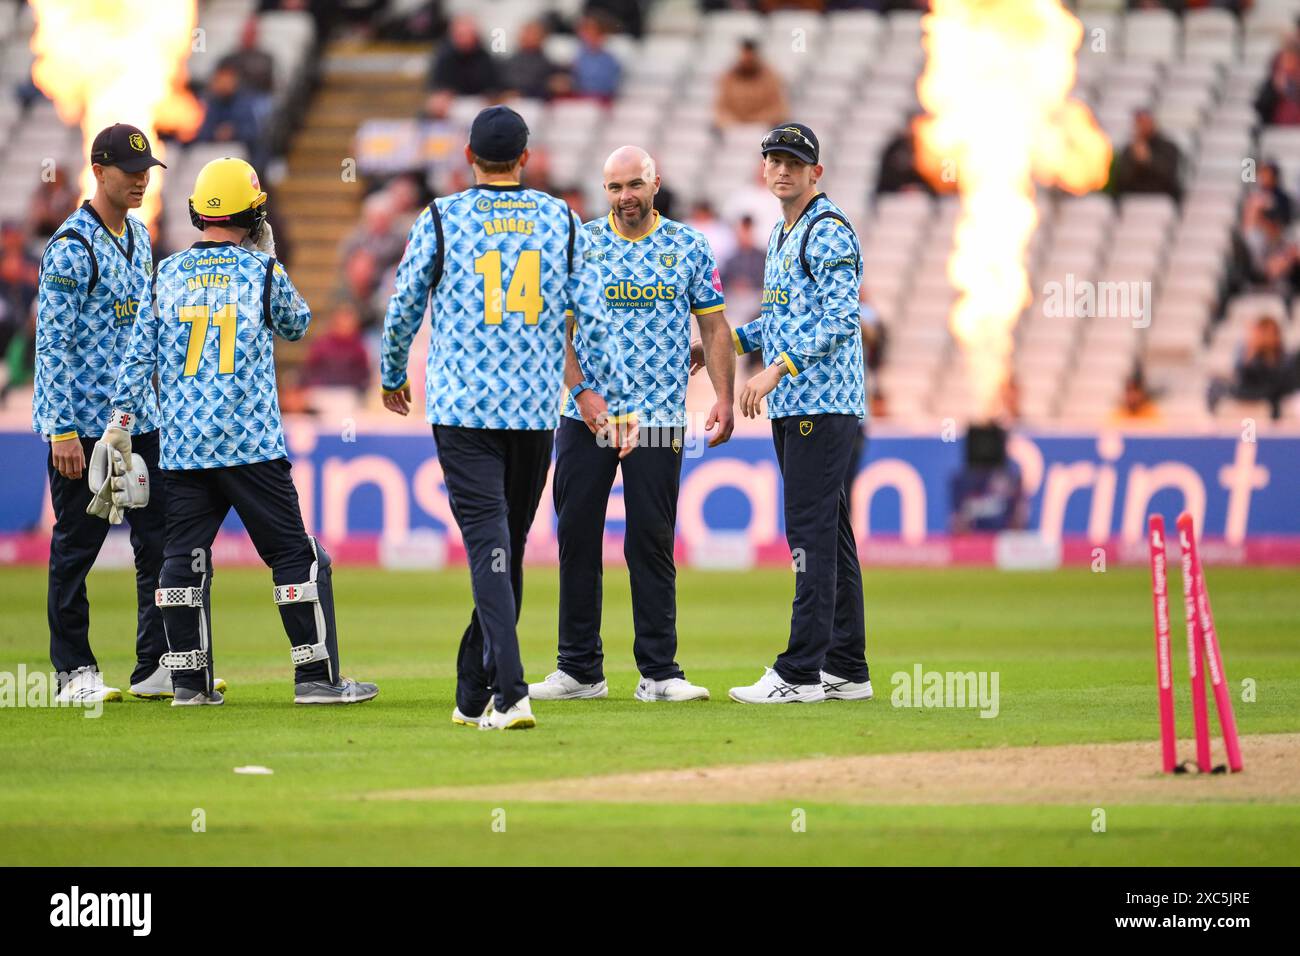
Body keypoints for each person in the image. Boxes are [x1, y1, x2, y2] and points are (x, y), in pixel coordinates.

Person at [380, 106, 638, 731]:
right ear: (527, 158)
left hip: (463, 409)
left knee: (493, 548)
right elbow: (594, 317)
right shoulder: (560, 218)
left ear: (468, 157)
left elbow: (404, 302)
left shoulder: (441, 217)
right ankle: (483, 692)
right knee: (505, 547)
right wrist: (621, 398)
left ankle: (501, 693)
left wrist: (391, 372)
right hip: (530, 410)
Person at [106, 157, 378, 707]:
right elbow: (298, 325)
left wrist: (120, 427)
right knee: (295, 558)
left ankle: (188, 685)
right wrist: (270, 260)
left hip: (184, 446)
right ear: (254, 212)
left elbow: (137, 361)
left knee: (182, 559)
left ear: (197, 211)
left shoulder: (166, 273)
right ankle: (315, 680)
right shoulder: (262, 271)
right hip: (250, 442)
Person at [529, 145, 734, 705]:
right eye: (615, 188)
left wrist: (724, 396)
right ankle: (578, 670)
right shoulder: (583, 244)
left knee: (651, 541)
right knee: (576, 536)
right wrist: (580, 391)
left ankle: (660, 673)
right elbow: (558, 332)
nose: (625, 197)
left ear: (656, 183)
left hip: (660, 416)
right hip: (587, 415)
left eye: (634, 186)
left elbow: (715, 329)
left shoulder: (688, 245)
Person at [33, 124, 223, 703]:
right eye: (129, 170)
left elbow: (148, 334)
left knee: (160, 544)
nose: (141, 179)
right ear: (99, 170)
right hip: (87, 429)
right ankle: (73, 671)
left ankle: (155, 664)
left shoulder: (140, 239)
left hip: (143, 423)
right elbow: (52, 345)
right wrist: (62, 430)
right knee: (77, 546)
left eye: (147, 170)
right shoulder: (71, 247)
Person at [726, 123, 872, 705]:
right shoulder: (785, 234)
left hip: (822, 404)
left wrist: (773, 368)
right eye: (774, 160)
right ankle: (847, 668)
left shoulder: (827, 232)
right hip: (799, 403)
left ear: (817, 171)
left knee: (809, 534)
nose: (782, 170)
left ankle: (800, 673)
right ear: (763, 169)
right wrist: (724, 346)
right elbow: (779, 319)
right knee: (830, 535)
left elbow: (841, 320)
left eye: (794, 161)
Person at [714, 39, 788, 130]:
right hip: (734, 128)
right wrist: (732, 120)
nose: (746, 59)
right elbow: (720, 108)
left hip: (762, 128)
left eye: (750, 57)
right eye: (744, 55)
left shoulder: (771, 77)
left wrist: (754, 120)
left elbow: (779, 109)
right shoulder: (728, 77)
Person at [1112, 109, 1183, 202]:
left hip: (1162, 198)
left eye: (1146, 122)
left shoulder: (1169, 147)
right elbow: (1121, 181)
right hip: (1134, 199)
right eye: (1139, 123)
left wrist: (1148, 160)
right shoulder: (1129, 150)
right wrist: (1136, 162)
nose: (1143, 126)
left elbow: (1170, 175)